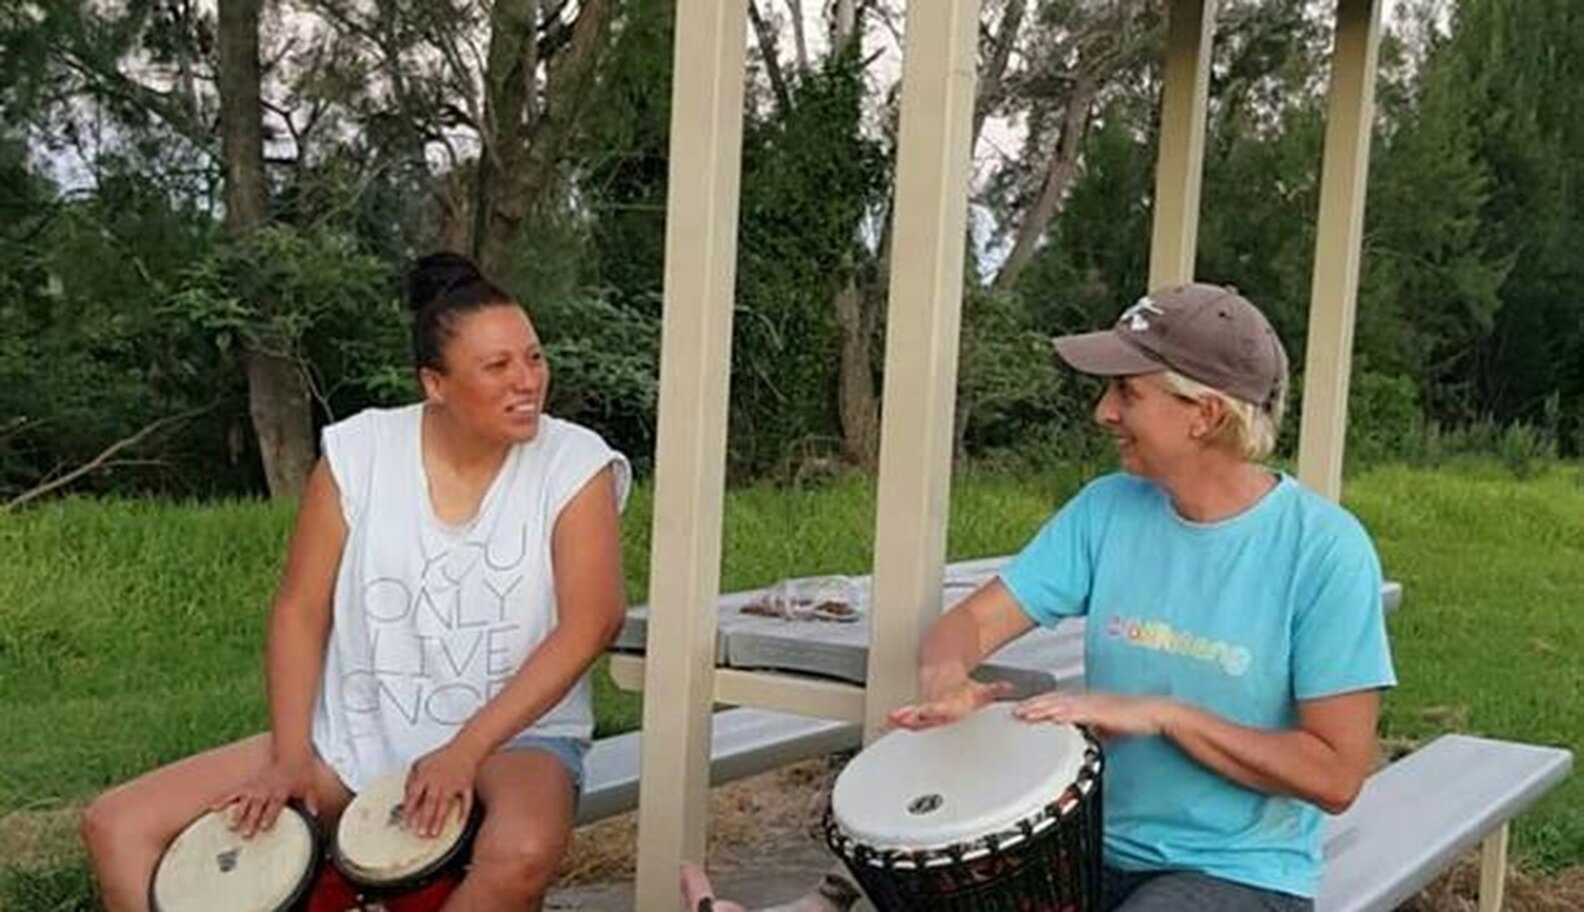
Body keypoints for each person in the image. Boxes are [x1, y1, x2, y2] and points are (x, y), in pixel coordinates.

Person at [682, 283, 1393, 912]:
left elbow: (1334, 775)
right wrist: (950, 683)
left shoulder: (1323, 552)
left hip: (1237, 873)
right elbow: (968, 624)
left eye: (1128, 392)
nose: (1102, 411)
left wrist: (1165, 715)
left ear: (1203, 413)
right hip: (1083, 843)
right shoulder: (1107, 509)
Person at [81, 252, 631, 912]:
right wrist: (287, 758)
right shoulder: (358, 453)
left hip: (515, 738)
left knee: (519, 852)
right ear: (435, 382)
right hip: (357, 732)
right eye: (498, 366)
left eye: (534, 358)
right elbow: (300, 610)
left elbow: (592, 622)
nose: (527, 381)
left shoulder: (574, 460)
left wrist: (464, 750)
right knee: (116, 824)